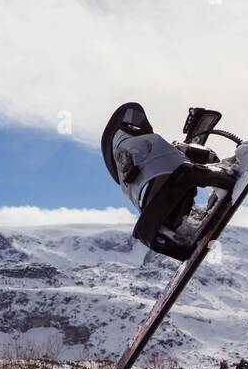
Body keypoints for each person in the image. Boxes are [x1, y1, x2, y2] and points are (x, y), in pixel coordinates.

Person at [101, 102, 239, 261]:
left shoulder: (147, 156)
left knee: (181, 167)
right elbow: (198, 159)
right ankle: (219, 177)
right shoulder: (145, 147)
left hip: (162, 214)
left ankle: (182, 223)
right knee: (181, 165)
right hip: (171, 193)